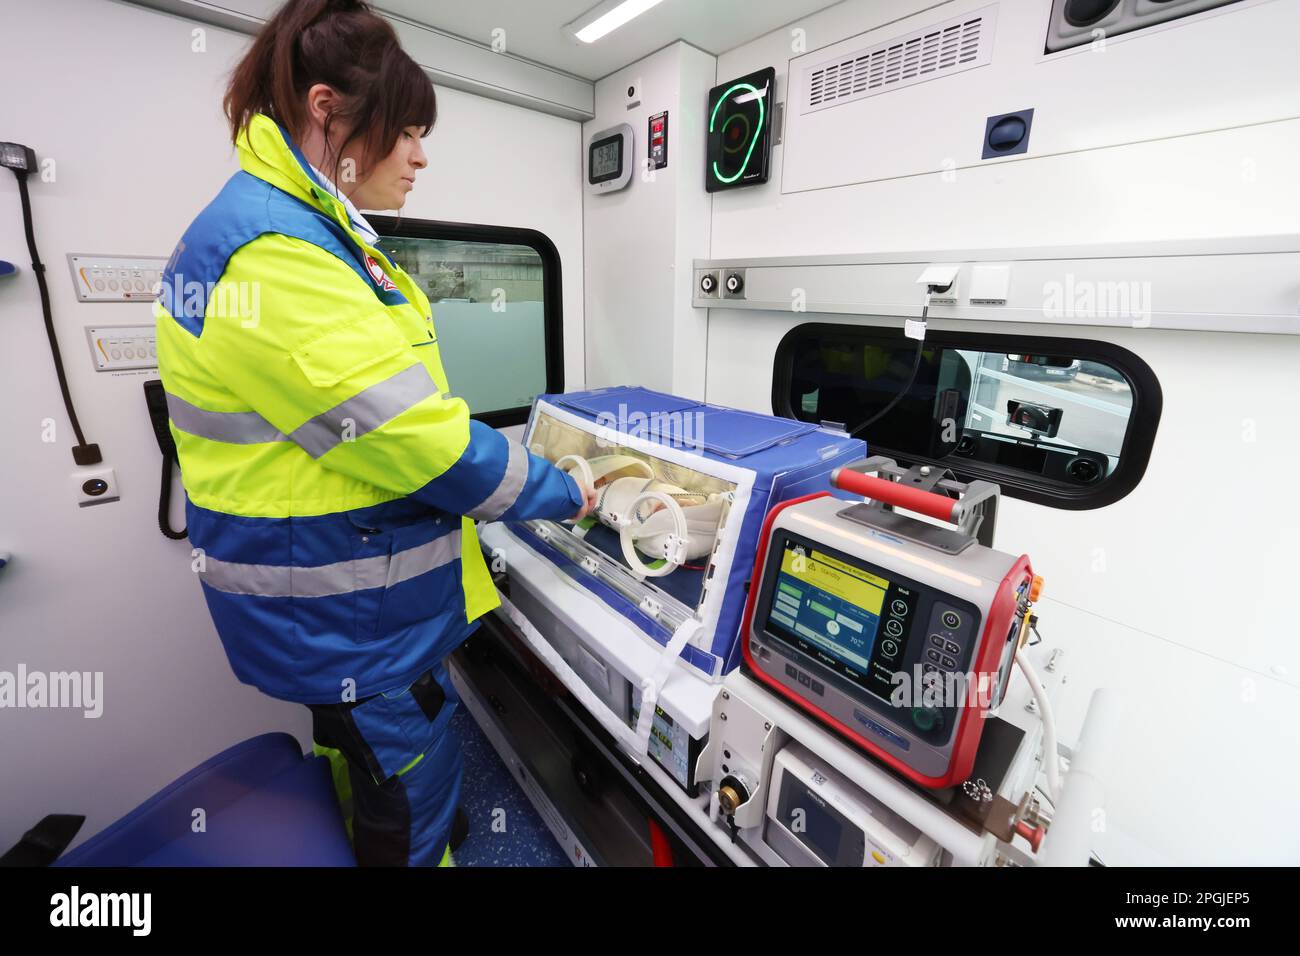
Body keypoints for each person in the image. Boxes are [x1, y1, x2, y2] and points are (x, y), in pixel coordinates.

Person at [153, 0, 596, 867]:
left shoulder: (309, 230)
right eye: (407, 132)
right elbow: (413, 439)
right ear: (328, 110)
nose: (422, 156)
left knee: (372, 762)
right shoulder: (270, 253)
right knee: (409, 799)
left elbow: (390, 415)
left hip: (345, 610)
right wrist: (557, 489)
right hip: (346, 620)